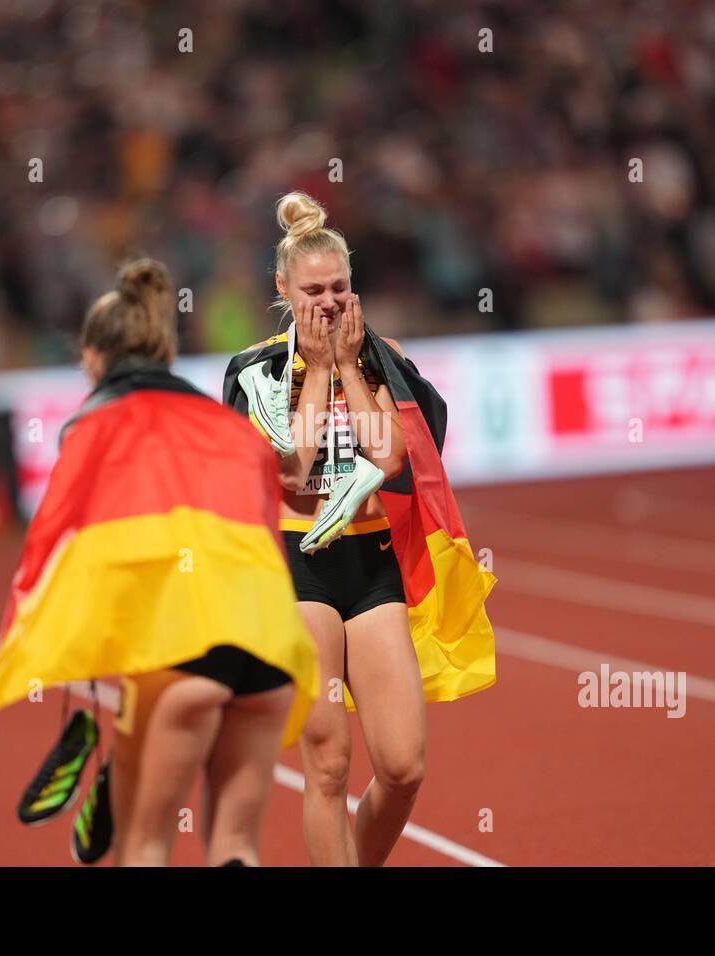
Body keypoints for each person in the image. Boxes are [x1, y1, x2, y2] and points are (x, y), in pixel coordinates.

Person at [0, 259, 318, 867]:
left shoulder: (92, 424)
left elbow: (55, 546)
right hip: (270, 645)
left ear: (93, 358)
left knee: (143, 847)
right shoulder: (226, 425)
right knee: (236, 847)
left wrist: (28, 659)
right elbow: (266, 537)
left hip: (179, 653)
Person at [224, 193, 498, 866]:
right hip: (300, 567)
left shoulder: (383, 358)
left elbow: (391, 456)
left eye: (340, 288)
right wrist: (317, 369)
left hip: (374, 567)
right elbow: (292, 469)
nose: (328, 302)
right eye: (312, 290)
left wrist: (348, 365)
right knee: (328, 765)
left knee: (403, 767)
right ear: (283, 290)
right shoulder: (256, 369)